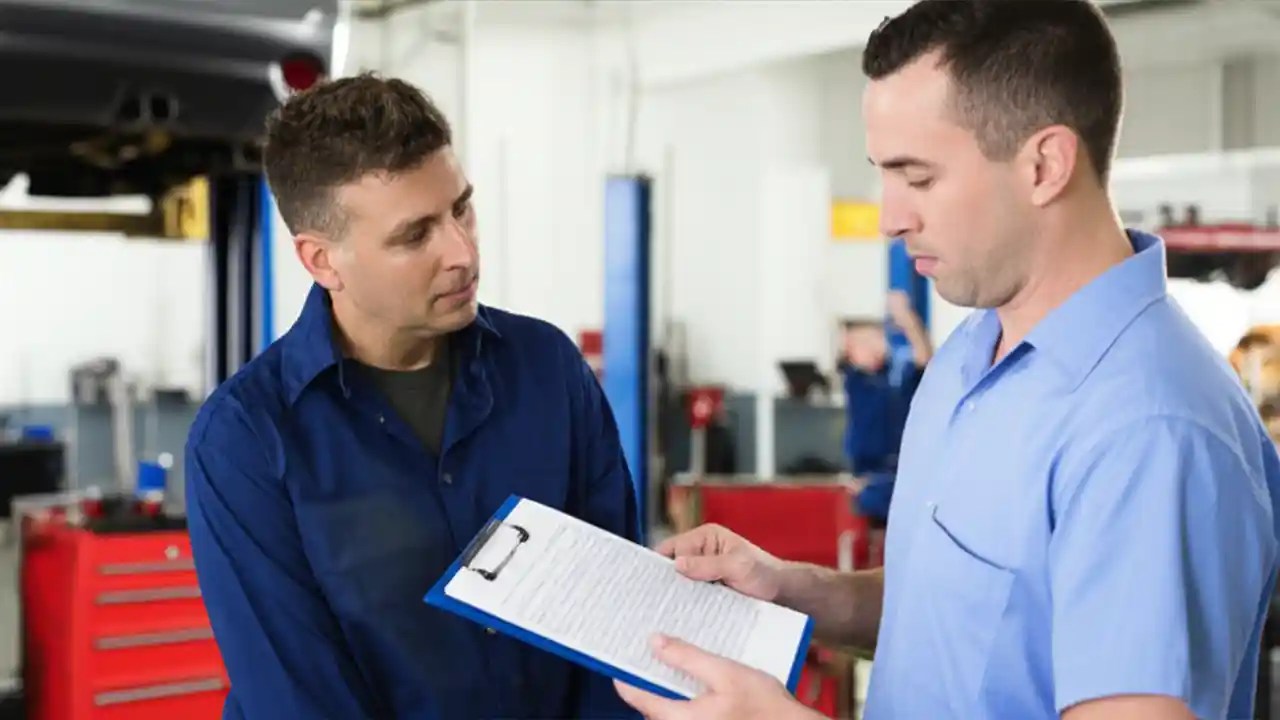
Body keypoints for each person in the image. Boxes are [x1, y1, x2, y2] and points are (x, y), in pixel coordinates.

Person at [616, 2, 1280, 719]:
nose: (889, 217)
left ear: (1044, 165)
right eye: (884, 174)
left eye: (919, 178)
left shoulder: (1150, 430)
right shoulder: (973, 351)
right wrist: (796, 589)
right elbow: (960, 619)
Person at [184, 74, 639, 719]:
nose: (462, 251)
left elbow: (614, 628)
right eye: (414, 235)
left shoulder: (548, 369)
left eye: (461, 209)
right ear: (321, 261)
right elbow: (298, 699)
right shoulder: (246, 440)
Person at [838, 290, 932, 522]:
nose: (873, 345)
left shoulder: (898, 382)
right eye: (863, 342)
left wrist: (908, 322)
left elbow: (925, 362)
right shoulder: (857, 380)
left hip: (906, 473)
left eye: (877, 338)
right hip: (871, 477)